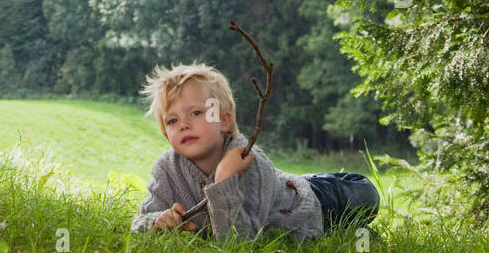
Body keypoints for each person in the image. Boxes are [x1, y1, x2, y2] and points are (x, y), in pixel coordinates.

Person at [131, 63, 380, 241]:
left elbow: (241, 240)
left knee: (366, 195)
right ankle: (287, 183)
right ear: (166, 134)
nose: (183, 124)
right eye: (172, 121)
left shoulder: (247, 161)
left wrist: (225, 178)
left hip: (311, 202)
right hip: (275, 188)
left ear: (225, 121)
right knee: (283, 185)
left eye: (196, 113)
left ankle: (311, 187)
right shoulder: (167, 169)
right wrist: (157, 222)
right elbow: (138, 223)